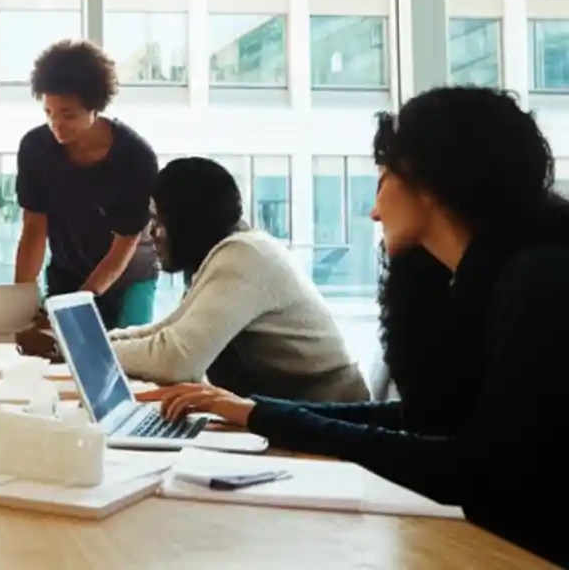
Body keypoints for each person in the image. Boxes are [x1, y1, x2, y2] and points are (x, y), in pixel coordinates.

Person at [139, 86, 569, 566]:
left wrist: (266, 417)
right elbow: (427, 419)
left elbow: (477, 469)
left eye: (383, 179)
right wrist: (254, 412)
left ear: (430, 183)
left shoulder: (540, 285)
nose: (375, 209)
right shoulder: (481, 280)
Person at [20, 157, 367, 402]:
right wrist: (73, 343)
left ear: (187, 221)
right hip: (294, 413)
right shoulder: (228, 252)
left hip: (326, 423)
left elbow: (175, 358)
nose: (151, 233)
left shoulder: (244, 257)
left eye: (158, 219)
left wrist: (70, 350)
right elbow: (165, 332)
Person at [14, 40, 160, 328]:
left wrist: (78, 306)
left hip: (128, 277)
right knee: (56, 355)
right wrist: (21, 302)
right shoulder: (36, 148)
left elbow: (124, 245)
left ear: (95, 107)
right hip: (67, 271)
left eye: (68, 114)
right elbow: (34, 229)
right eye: (49, 112)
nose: (56, 124)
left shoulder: (135, 157)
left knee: (124, 358)